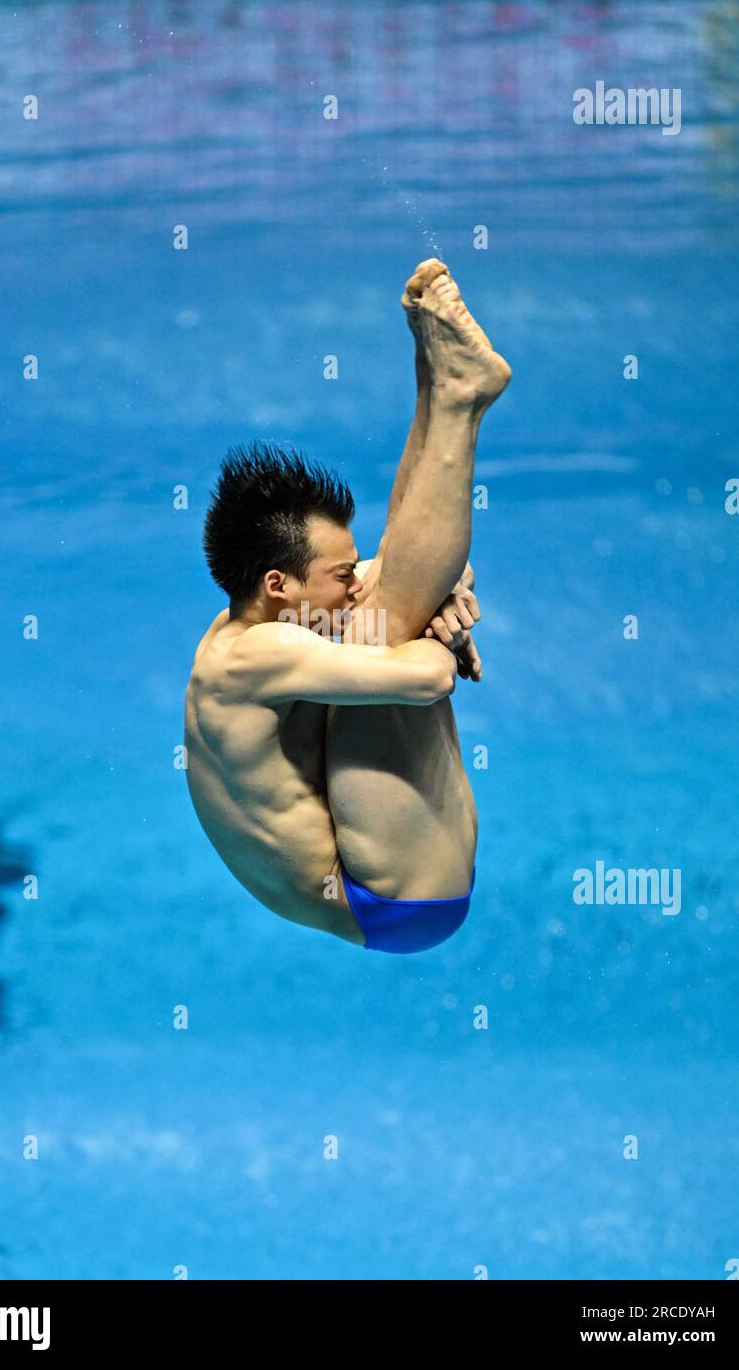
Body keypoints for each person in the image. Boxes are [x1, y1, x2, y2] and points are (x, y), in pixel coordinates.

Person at [184, 259, 511, 952]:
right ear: (280, 583)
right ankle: (455, 395)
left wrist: (446, 592)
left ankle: (438, 378)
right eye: (338, 570)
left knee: (389, 593)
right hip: (393, 897)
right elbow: (428, 680)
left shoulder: (252, 617)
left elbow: (407, 561)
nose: (353, 578)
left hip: (403, 853)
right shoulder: (256, 657)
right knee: (380, 623)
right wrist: (438, 637)